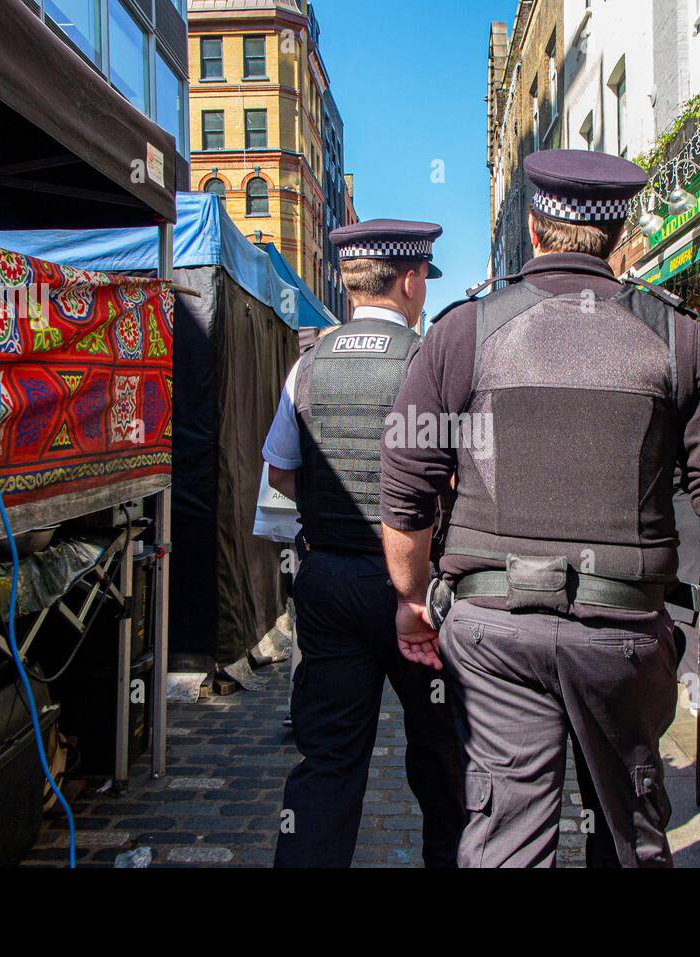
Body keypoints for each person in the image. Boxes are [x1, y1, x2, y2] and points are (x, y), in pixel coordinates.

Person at [378, 149, 700, 868]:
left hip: (494, 631)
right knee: (629, 834)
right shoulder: (680, 337)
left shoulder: (463, 331)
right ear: (621, 232)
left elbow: (406, 479)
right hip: (624, 633)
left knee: (505, 834)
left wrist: (408, 596)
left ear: (533, 227)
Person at [263, 219, 464, 868]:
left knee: (326, 763)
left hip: (328, 585)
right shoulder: (430, 363)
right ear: (408, 280)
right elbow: (462, 479)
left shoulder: (309, 364)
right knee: (444, 760)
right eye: (424, 282)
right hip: (419, 592)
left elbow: (280, 469)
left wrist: (334, 504)